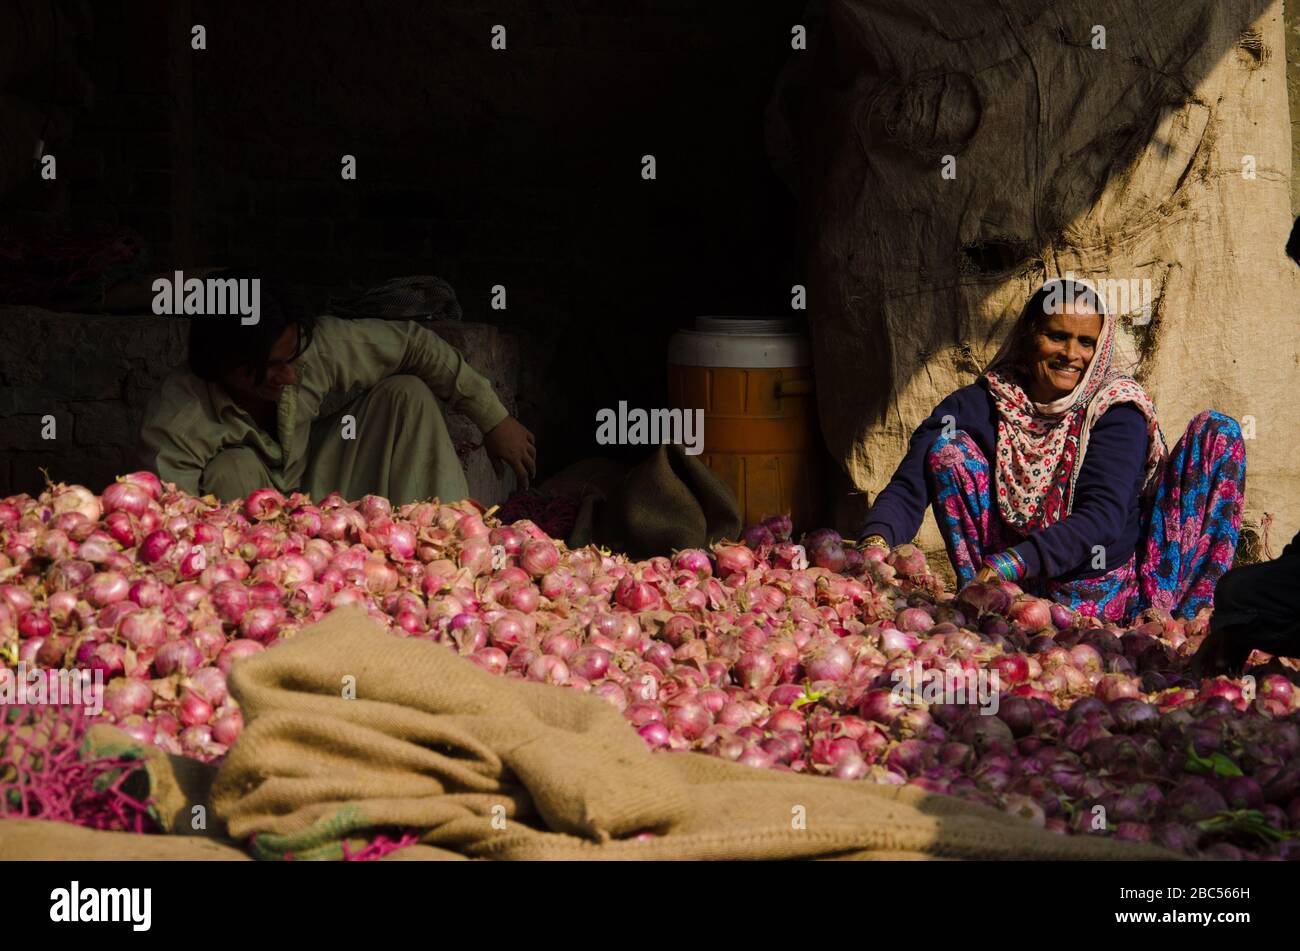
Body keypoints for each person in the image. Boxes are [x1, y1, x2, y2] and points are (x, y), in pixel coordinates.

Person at [857, 278, 1245, 625]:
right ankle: (987, 611)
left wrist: (1011, 563)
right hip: (1008, 586)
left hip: (1098, 586)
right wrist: (874, 547)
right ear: (1029, 338)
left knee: (1219, 432)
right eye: (1057, 336)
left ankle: (1184, 620)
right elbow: (910, 483)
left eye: (1086, 341)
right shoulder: (986, 400)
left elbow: (1103, 516)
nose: (1071, 354)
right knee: (946, 450)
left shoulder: (1116, 409)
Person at [138, 274, 536, 506]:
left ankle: (450, 549)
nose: (291, 376)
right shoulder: (178, 417)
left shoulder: (314, 347)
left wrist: (494, 419)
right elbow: (172, 522)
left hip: (317, 493)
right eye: (275, 368)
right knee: (233, 467)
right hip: (248, 538)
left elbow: (415, 345)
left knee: (405, 395)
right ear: (233, 368)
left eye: (293, 359)